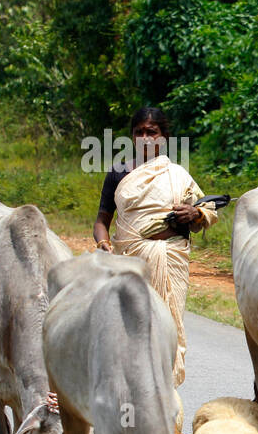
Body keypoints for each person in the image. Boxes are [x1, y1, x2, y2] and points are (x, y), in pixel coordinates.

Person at [92, 107, 219, 386]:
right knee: (129, 331)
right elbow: (102, 219)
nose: (146, 138)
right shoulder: (118, 173)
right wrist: (102, 242)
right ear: (132, 137)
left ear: (164, 137)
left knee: (167, 331)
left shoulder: (178, 175)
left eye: (152, 132)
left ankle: (163, 406)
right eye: (139, 132)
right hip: (129, 261)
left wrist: (194, 214)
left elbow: (205, 208)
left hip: (170, 259)